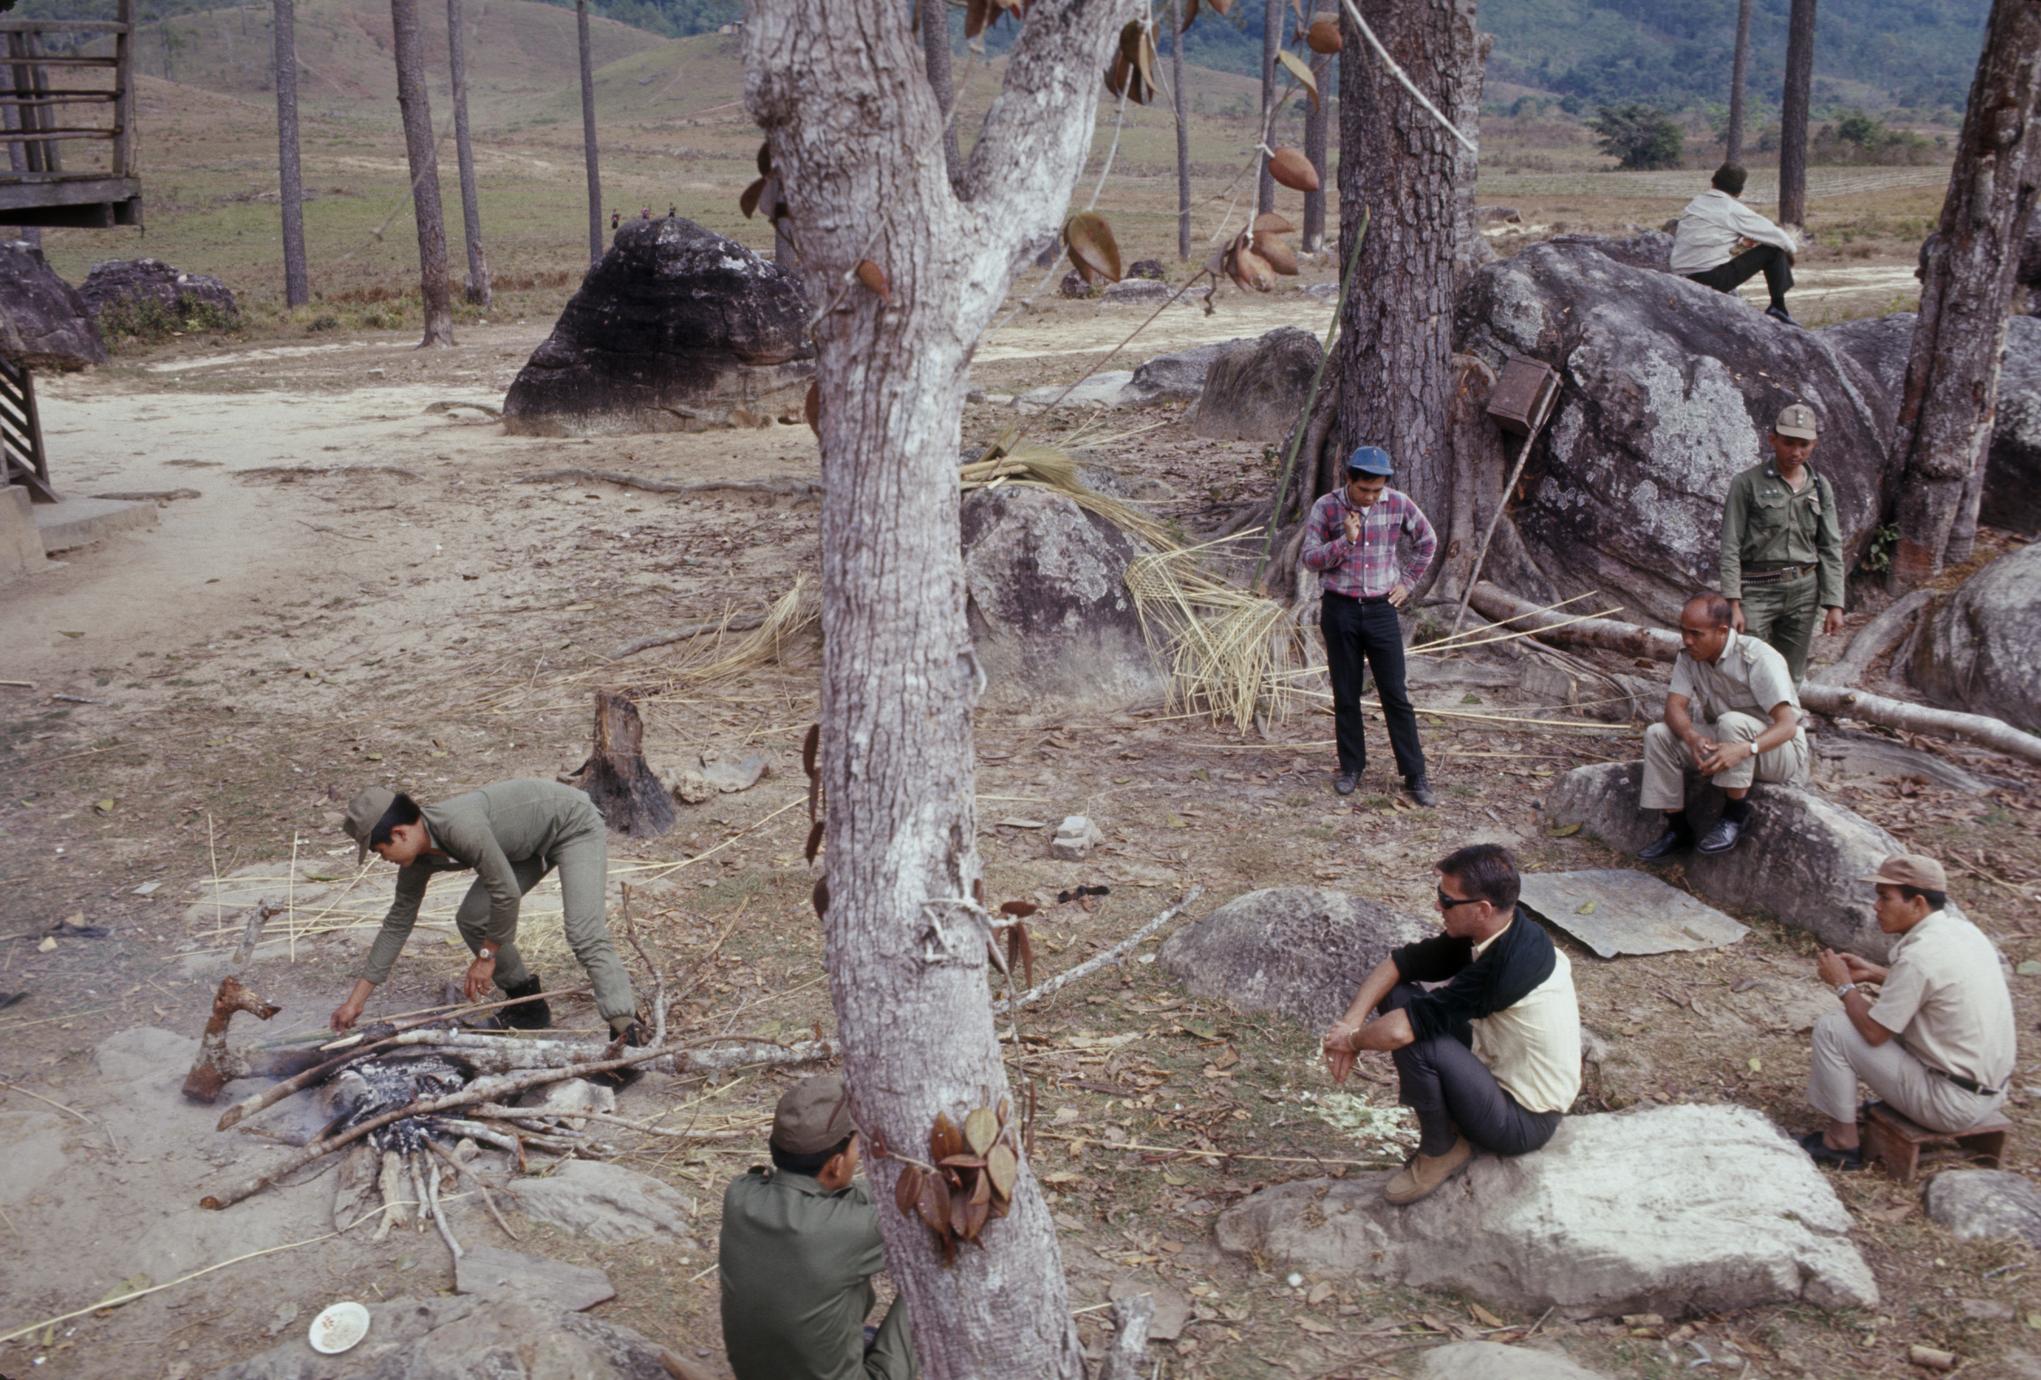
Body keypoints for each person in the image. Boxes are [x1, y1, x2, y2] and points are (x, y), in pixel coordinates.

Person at [1321, 845, 1581, 1205]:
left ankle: (1440, 1149)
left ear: (1482, 909)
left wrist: (1351, 1042)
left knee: (1415, 1038)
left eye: (1447, 899)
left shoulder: (1504, 967)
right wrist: (1349, 1023)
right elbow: (1400, 963)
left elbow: (1400, 1031)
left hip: (1523, 1122)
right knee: (1398, 996)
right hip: (1496, 1072)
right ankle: (1454, 1125)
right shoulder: (1496, 931)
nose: (1437, 906)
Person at [331, 779, 643, 1043]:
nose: (382, 858)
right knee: (473, 918)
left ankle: (627, 1034)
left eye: (379, 851)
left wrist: (486, 956)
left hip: (573, 825)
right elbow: (398, 922)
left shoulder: (460, 826)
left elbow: (506, 894)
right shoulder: (416, 858)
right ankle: (528, 1008)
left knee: (583, 932)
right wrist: (355, 1002)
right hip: (522, 847)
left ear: (399, 833)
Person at [1801, 854, 2015, 1169]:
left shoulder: (1919, 957)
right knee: (1888, 1022)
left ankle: (1840, 1141)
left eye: (1885, 897)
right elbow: (1940, 990)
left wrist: (1844, 985)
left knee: (1835, 1027)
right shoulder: (1964, 934)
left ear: (1916, 903)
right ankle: (1905, 1103)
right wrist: (1875, 973)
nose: (1876, 906)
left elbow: (1874, 1033)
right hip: (1992, 1093)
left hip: (1951, 1105)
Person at [720, 1075, 917, 1380]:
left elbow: (829, 1196)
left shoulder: (739, 1195)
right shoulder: (852, 1230)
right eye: (856, 1146)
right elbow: (926, 1219)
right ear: (837, 1164)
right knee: (939, 1272)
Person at [1301, 445, 1438, 806]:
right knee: (1346, 694)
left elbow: (1428, 541)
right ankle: (1351, 768)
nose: (1371, 497)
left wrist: (1407, 583)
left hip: (1380, 609)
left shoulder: (1397, 503)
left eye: (1377, 490)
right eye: (1365, 490)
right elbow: (1310, 558)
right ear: (1349, 479)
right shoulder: (1326, 506)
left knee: (1395, 693)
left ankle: (1414, 773)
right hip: (1340, 608)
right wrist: (1345, 541)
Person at [1637, 592, 1809, 860]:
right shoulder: (1689, 656)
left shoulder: (1758, 657)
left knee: (1731, 721)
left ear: (1722, 631)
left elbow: (1787, 725)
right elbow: (1674, 706)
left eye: (1696, 633)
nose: (1687, 640)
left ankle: (1734, 814)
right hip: (1730, 742)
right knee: (1659, 734)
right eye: (1683, 631)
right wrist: (1692, 737)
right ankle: (1677, 828)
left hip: (1778, 752)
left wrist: (1746, 749)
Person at [1721, 403, 1845, 684]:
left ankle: (1786, 727)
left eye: (1804, 445)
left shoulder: (1820, 486)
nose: (1796, 452)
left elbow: (1830, 545)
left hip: (1803, 590)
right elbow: (1730, 545)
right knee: (1749, 665)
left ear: (1814, 444)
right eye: (1788, 443)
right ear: (1773, 439)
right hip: (1757, 589)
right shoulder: (1746, 484)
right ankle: (1744, 726)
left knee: (1791, 674)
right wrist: (1734, 602)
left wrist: (1834, 603)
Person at [1671, 163, 1800, 324]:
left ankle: (1778, 308)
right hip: (1710, 279)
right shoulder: (1732, 209)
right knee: (1774, 251)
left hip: (1680, 277)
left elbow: (1712, 243)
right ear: (1739, 192)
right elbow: (1782, 238)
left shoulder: (1695, 203)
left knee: (1753, 245)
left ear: (1713, 182)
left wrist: (1743, 244)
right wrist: (1789, 253)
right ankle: (1778, 307)